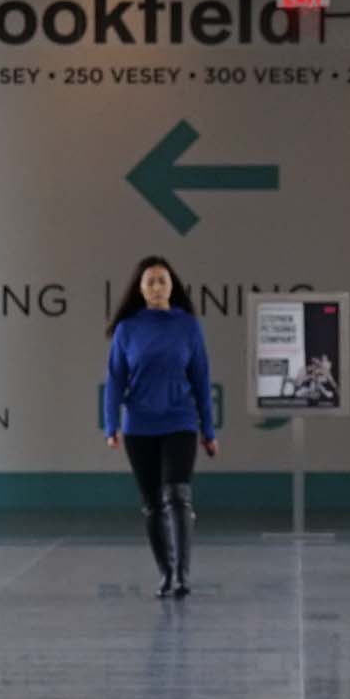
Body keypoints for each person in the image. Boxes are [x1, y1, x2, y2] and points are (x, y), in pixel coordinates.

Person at [97, 255, 224, 600]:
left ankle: (182, 575)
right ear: (140, 288)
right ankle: (166, 574)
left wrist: (208, 432)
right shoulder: (127, 330)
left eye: (162, 280)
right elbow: (114, 381)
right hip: (139, 426)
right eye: (150, 281)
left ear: (172, 286)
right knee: (153, 502)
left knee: (178, 495)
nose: (156, 287)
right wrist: (111, 425)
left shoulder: (187, 326)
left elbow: (201, 378)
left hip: (179, 421)